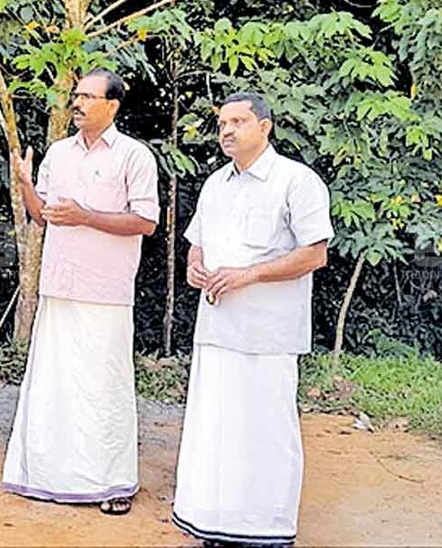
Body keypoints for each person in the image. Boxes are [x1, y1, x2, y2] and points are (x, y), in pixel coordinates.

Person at [170, 92, 331, 545]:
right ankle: (212, 522)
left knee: (266, 431)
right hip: (217, 327)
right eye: (222, 122)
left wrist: (250, 274)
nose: (226, 130)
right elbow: (197, 241)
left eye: (238, 121)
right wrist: (194, 264)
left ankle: (267, 527)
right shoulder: (215, 184)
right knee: (215, 428)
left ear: (265, 127)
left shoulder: (296, 181)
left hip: (269, 332)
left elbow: (314, 254)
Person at [3, 69, 159, 515]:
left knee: (104, 388)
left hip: (106, 290)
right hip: (59, 285)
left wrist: (86, 215)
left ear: (113, 106)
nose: (78, 103)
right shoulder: (59, 152)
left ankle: (113, 483)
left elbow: (146, 222)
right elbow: (42, 216)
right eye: (76, 95)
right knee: (57, 385)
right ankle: (49, 475)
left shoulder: (134, 156)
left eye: (89, 97)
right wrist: (26, 183)